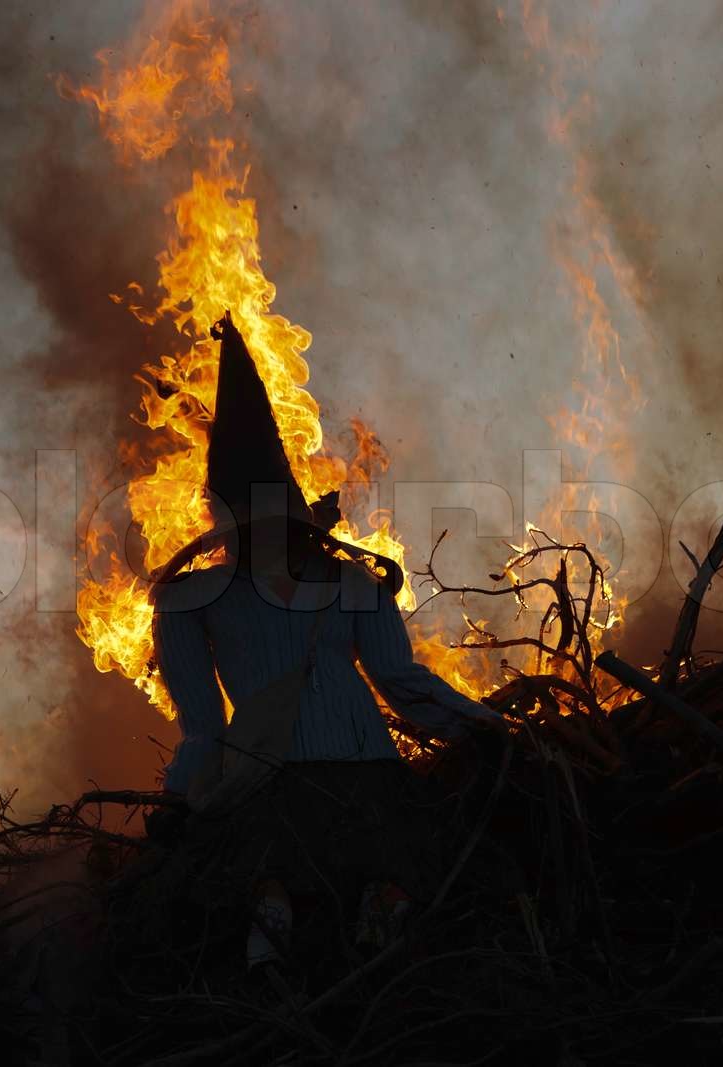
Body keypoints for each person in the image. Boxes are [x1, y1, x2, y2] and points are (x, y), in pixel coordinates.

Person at [145, 314, 503, 969]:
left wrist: (176, 800)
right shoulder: (350, 584)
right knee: (383, 882)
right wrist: (484, 728)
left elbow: (203, 729)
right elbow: (403, 685)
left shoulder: (192, 600)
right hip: (366, 781)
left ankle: (280, 945)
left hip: (273, 784)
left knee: (271, 891)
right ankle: (368, 933)